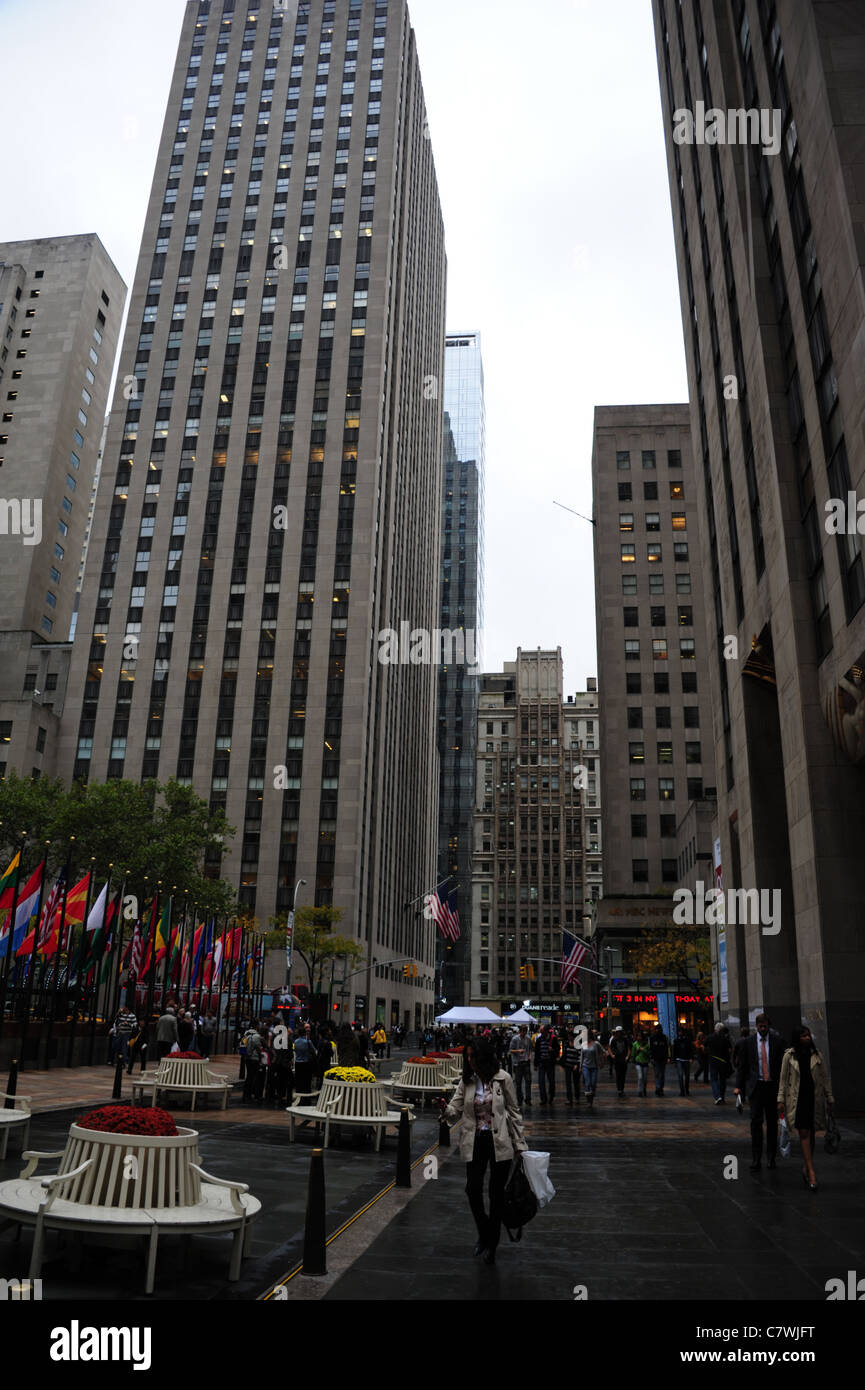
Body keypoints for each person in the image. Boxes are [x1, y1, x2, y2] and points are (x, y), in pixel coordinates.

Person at [440, 1037, 527, 1264]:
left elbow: (514, 1111)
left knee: (496, 1194)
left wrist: (520, 1145)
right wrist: (444, 1109)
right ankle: (485, 1231)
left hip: (500, 1141)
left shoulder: (503, 1078)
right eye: (468, 1057)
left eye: (474, 1056)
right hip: (475, 1140)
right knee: (472, 1188)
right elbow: (455, 1110)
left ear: (484, 1057)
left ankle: (492, 1244)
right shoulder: (467, 1081)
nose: (470, 1061)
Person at [778, 1025, 834, 1191]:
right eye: (803, 1036)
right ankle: (811, 1171)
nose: (807, 1038)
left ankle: (806, 1165)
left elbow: (824, 1078)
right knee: (804, 1133)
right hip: (797, 1099)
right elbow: (782, 1080)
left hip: (814, 1099)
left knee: (812, 1132)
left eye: (808, 1035)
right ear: (797, 1038)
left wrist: (829, 1098)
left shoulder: (817, 1055)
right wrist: (780, 1099)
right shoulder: (789, 1056)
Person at [734, 1012, 786, 1170]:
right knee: (755, 1123)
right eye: (760, 1026)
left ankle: (771, 1157)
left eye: (765, 1026)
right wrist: (739, 1087)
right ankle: (756, 1158)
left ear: (768, 1026)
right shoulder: (748, 1043)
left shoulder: (777, 1041)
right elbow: (743, 1067)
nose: (763, 1029)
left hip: (772, 1087)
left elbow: (782, 1065)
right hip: (756, 1088)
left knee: (772, 1123)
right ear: (756, 1026)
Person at [705, 1022, 733, 1104]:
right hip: (723, 1062)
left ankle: (717, 1096)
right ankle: (722, 1097)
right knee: (722, 1080)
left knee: (714, 1079)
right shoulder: (725, 1038)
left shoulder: (710, 1037)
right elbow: (730, 1050)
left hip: (713, 1061)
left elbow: (704, 1046)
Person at [533, 1024, 560, 1105]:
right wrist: (535, 1064)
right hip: (542, 1062)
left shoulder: (553, 1039)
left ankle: (551, 1096)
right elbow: (537, 1052)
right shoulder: (539, 1040)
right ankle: (543, 1099)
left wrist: (553, 1050)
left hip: (550, 1062)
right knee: (541, 1081)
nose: (543, 1033)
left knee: (551, 1081)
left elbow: (558, 1049)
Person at [508, 1025, 532, 1107]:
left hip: (526, 1062)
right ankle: (520, 1099)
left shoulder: (528, 1038)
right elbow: (510, 1050)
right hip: (518, 1063)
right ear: (520, 1031)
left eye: (525, 1032)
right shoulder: (515, 1039)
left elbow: (530, 1049)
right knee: (518, 1083)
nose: (524, 1033)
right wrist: (518, 1051)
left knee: (528, 1081)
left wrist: (529, 1056)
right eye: (522, 1032)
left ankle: (528, 1099)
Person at [293, 1023, 318, 1095]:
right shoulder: (308, 1042)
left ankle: (299, 1094)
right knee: (306, 1081)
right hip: (306, 1063)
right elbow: (314, 1051)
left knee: (299, 1080)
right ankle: (306, 1096)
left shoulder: (296, 1041)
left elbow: (295, 1050)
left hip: (297, 1063)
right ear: (304, 1033)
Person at [243, 1020, 265, 1103]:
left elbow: (242, 1045)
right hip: (254, 1059)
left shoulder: (246, 1034)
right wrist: (261, 1057)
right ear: (256, 1026)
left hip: (247, 1058)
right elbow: (259, 1048)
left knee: (248, 1076)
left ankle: (245, 1095)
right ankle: (249, 1096)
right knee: (252, 1077)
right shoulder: (257, 1036)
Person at [606, 1025, 631, 1097]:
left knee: (623, 1075)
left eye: (620, 1032)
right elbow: (609, 1048)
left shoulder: (625, 1039)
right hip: (617, 1060)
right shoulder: (614, 1040)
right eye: (618, 1032)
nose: (619, 1033)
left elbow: (629, 1048)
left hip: (623, 1060)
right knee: (618, 1075)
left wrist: (627, 1056)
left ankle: (622, 1089)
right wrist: (612, 1055)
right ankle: (619, 1089)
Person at [581, 1029, 603, 1107]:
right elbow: (582, 1056)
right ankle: (589, 1101)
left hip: (594, 1066)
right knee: (588, 1082)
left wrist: (601, 1061)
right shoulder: (583, 1044)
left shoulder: (596, 1044)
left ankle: (591, 1098)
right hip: (585, 1066)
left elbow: (602, 1052)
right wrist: (580, 1066)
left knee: (593, 1084)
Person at [560, 1028, 582, 1105]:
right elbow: (564, 1054)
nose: (569, 1037)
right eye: (568, 1036)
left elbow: (580, 1055)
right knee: (568, 1083)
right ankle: (569, 1099)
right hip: (567, 1065)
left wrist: (577, 1064)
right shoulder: (566, 1043)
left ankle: (577, 1097)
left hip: (575, 1065)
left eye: (570, 1036)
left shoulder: (577, 1044)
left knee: (576, 1082)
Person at [672, 1028, 695, 1096]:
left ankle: (686, 1090)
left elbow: (691, 1049)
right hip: (679, 1059)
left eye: (681, 1032)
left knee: (687, 1076)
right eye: (679, 1032)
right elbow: (675, 1051)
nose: (680, 1033)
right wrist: (675, 1060)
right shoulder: (676, 1040)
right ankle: (682, 1090)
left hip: (686, 1059)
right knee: (681, 1075)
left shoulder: (687, 1040)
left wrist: (691, 1057)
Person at [650, 1023, 670, 1096]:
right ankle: (658, 1088)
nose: (657, 1031)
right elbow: (651, 1048)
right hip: (655, 1058)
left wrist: (668, 1057)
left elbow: (667, 1048)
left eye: (658, 1029)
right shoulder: (652, 1038)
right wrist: (651, 1057)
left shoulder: (664, 1038)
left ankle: (660, 1088)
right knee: (657, 1074)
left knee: (661, 1074)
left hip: (663, 1058)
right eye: (656, 1029)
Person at [631, 1029, 651, 1097]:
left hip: (645, 1062)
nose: (639, 1037)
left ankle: (644, 1089)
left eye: (640, 1036)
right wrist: (632, 1060)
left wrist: (643, 1050)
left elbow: (649, 1053)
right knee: (640, 1077)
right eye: (638, 1036)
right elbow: (633, 1053)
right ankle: (639, 1091)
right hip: (638, 1062)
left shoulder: (647, 1045)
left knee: (645, 1078)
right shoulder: (635, 1044)